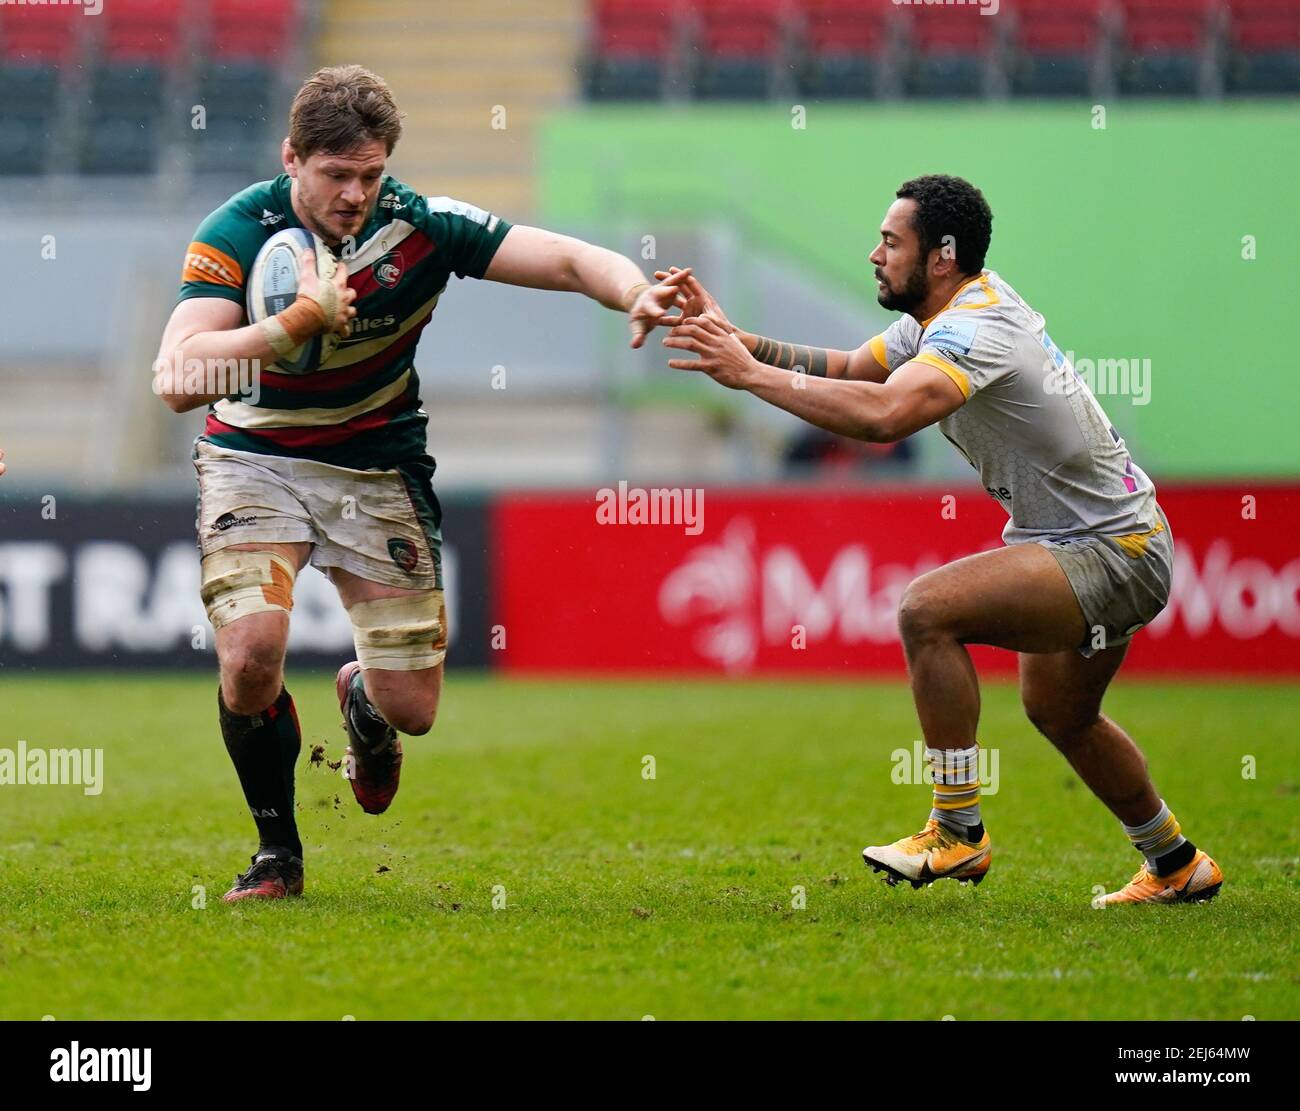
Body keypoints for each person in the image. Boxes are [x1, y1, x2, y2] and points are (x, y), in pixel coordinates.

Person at [153, 65, 688, 902]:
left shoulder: (420, 226)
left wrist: (634, 291)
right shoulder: (237, 228)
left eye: (370, 174)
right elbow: (177, 377)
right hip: (254, 457)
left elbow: (570, 258)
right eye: (336, 175)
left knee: (414, 708)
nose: (355, 194)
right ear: (292, 159)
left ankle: (364, 703)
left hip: (376, 465)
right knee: (252, 655)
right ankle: (277, 855)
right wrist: (291, 324)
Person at [658, 174, 1222, 906]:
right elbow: (852, 370)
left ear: (942, 255)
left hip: (1111, 551)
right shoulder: (944, 316)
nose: (875, 254)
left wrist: (751, 378)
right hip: (1117, 538)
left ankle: (957, 831)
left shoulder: (971, 329)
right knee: (1061, 713)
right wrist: (739, 341)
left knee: (927, 611)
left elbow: (885, 416)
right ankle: (1175, 861)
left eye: (892, 242)